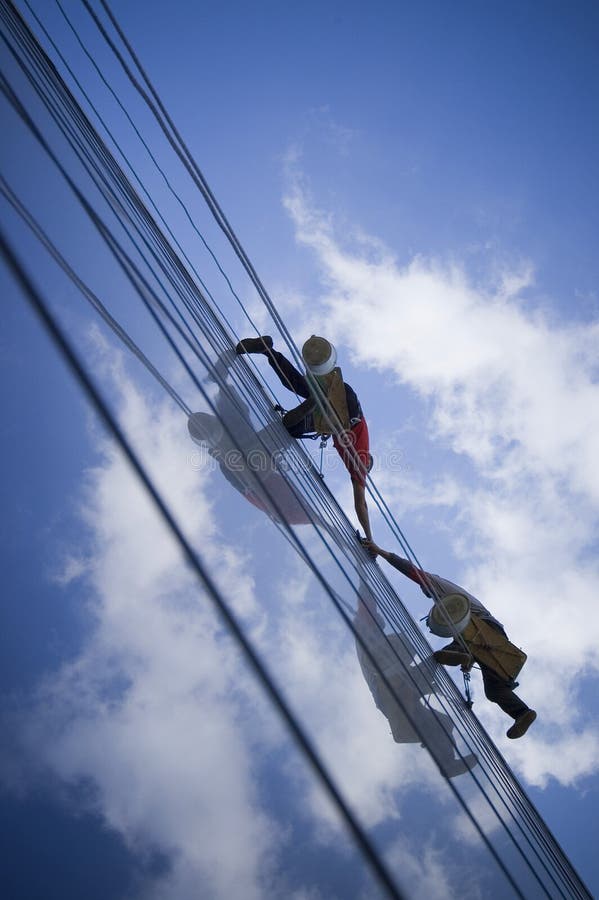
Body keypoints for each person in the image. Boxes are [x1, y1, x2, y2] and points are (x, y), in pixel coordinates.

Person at [367, 543, 537, 740]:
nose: (425, 593)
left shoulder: (439, 587)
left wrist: (379, 551)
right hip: (487, 637)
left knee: (440, 655)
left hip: (479, 628)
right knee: (494, 690)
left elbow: (410, 570)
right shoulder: (452, 598)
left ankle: (455, 656)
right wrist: (469, 660)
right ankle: (522, 713)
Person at [236, 334, 374, 542]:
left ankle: (268, 351)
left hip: (344, 409)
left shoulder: (361, 445)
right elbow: (360, 504)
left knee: (297, 386)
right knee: (292, 425)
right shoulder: (359, 465)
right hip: (344, 414)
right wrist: (369, 537)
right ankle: (315, 403)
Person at [353, 580, 478, 778]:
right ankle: (447, 763)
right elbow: (366, 610)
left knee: (442, 722)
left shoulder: (380, 650)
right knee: (443, 723)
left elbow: (432, 662)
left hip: (395, 688)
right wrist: (364, 577)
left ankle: (446, 762)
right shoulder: (368, 637)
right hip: (392, 686)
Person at [188, 350, 312, 526]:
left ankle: (312, 416)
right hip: (247, 446)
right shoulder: (228, 460)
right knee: (279, 430)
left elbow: (253, 487)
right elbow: (253, 487)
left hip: (248, 448)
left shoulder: (228, 461)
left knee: (283, 430)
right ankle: (312, 416)